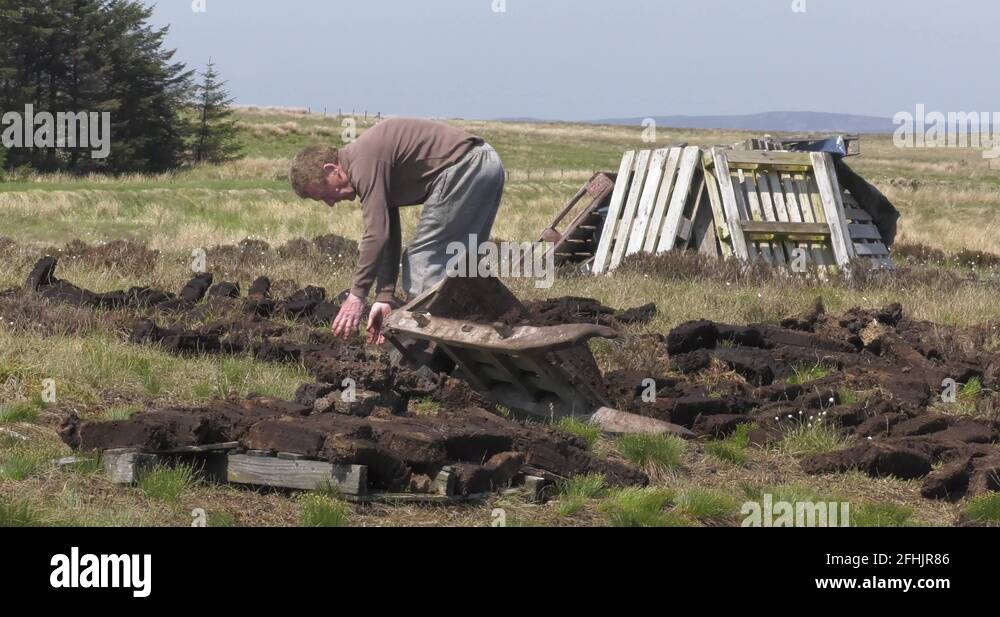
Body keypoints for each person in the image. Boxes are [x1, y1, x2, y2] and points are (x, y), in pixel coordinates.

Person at [289, 117, 505, 344]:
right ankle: (486, 331)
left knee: (422, 260)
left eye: (326, 194)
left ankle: (426, 346)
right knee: (462, 264)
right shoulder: (365, 162)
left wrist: (356, 296)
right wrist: (384, 297)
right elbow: (387, 232)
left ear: (332, 169)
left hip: (467, 166)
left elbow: (375, 235)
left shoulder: (363, 162)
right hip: (486, 163)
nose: (331, 202)